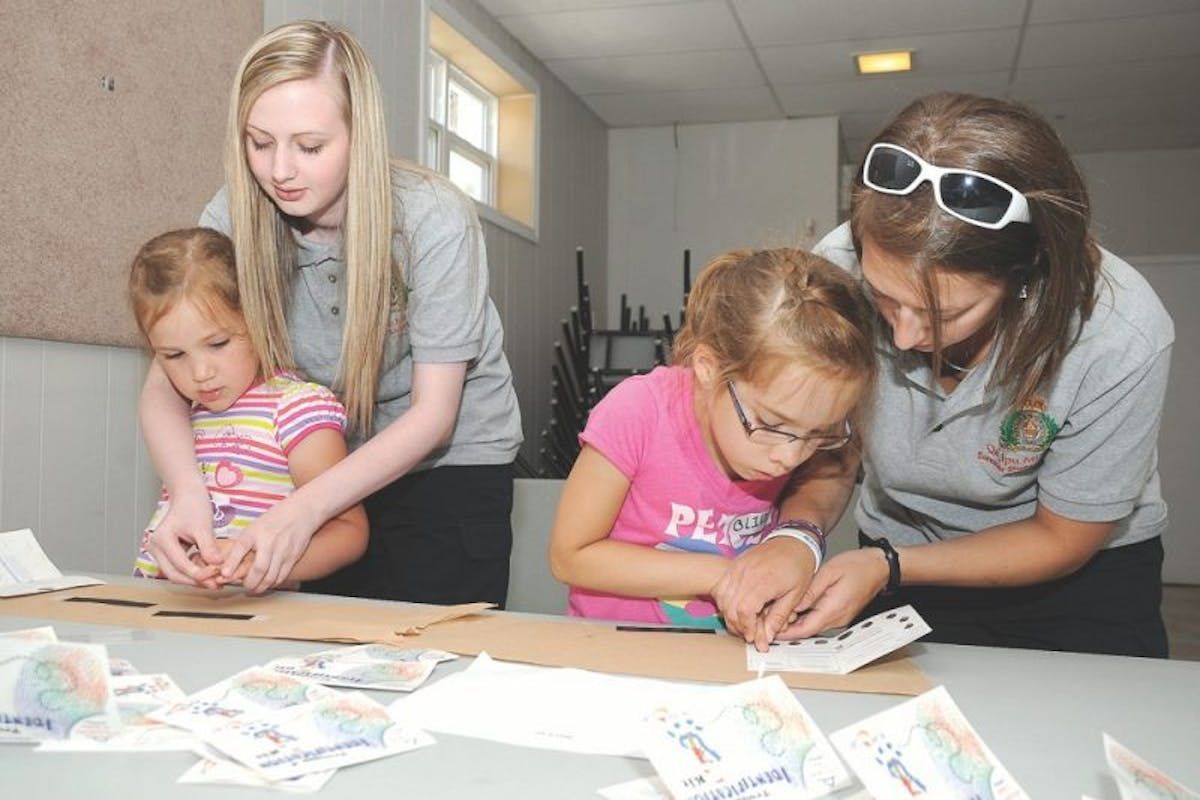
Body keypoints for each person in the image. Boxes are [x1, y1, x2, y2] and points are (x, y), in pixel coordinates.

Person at [716, 92, 1173, 657]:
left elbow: (1063, 536)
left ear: (1024, 275)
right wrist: (798, 536)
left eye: (945, 315)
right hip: (892, 554)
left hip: (1079, 584)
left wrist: (889, 566)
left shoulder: (1117, 331)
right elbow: (832, 446)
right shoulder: (835, 274)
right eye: (885, 299)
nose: (904, 337)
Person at [138, 21, 522, 602]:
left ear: (359, 134)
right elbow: (165, 386)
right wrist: (187, 493)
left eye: (310, 147)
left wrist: (303, 509)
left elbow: (434, 416)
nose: (280, 171)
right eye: (259, 142)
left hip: (447, 465)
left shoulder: (434, 217)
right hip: (318, 454)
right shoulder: (232, 215)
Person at [549, 248, 876, 628]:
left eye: (818, 433)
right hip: (613, 653)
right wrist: (725, 576)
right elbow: (570, 556)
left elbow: (828, 481)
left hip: (725, 661)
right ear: (708, 368)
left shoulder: (789, 430)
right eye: (770, 424)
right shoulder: (638, 411)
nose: (789, 457)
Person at [128, 227, 367, 586]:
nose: (200, 373)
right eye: (173, 355)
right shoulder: (182, 416)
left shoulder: (298, 409)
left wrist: (261, 564)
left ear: (259, 319)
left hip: (253, 615)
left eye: (218, 343)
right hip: (167, 605)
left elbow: (348, 533)